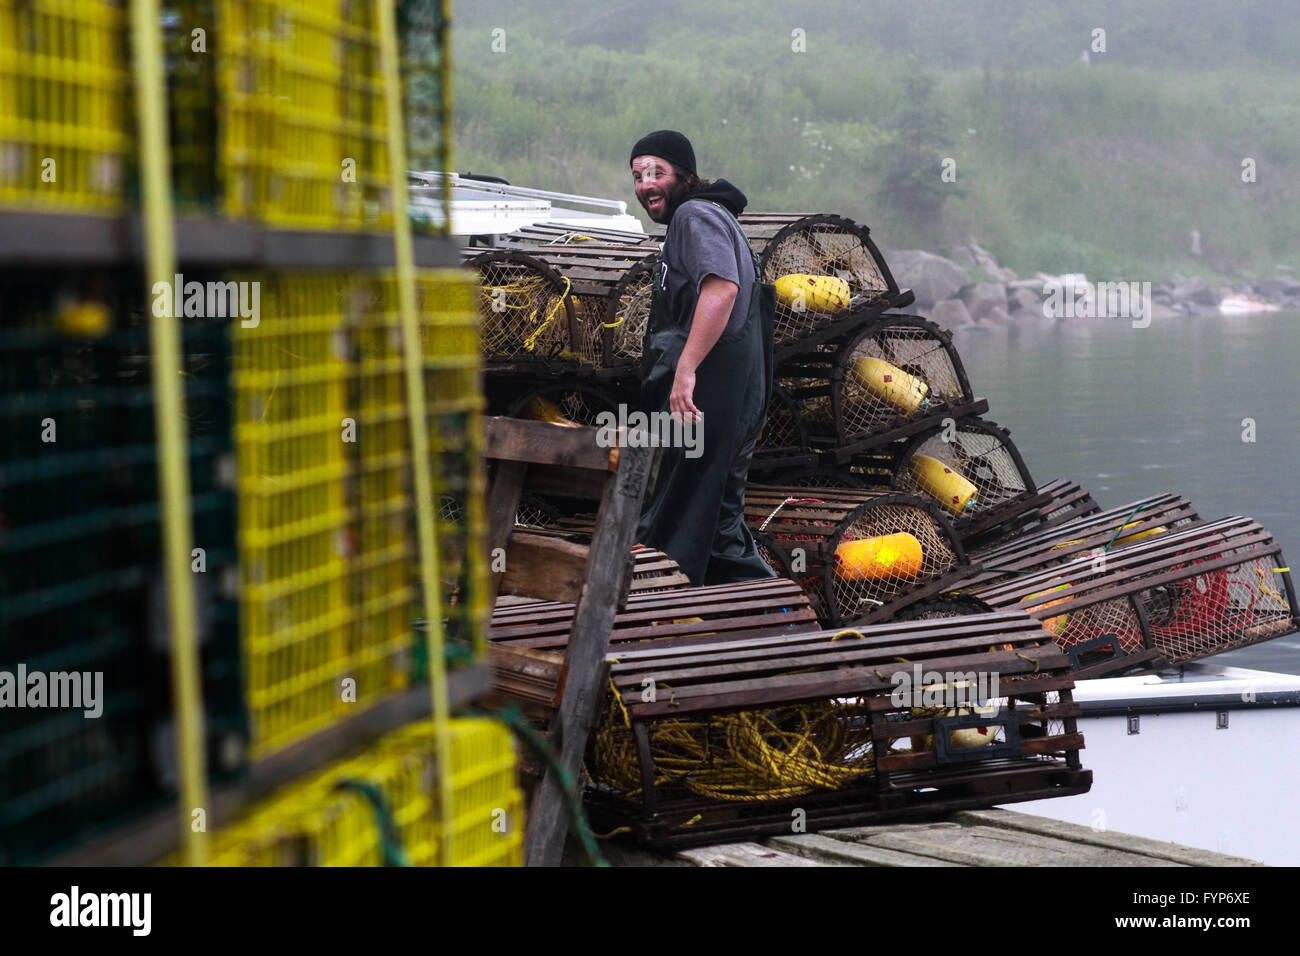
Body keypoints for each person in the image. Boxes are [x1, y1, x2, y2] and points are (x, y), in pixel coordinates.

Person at [629, 129, 776, 586]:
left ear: (685, 176)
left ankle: (661, 610)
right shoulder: (712, 215)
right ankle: (773, 619)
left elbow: (722, 288)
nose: (645, 185)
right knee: (715, 524)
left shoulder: (694, 216)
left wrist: (686, 370)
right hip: (729, 394)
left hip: (710, 393)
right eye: (636, 176)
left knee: (683, 514)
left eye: (656, 172)